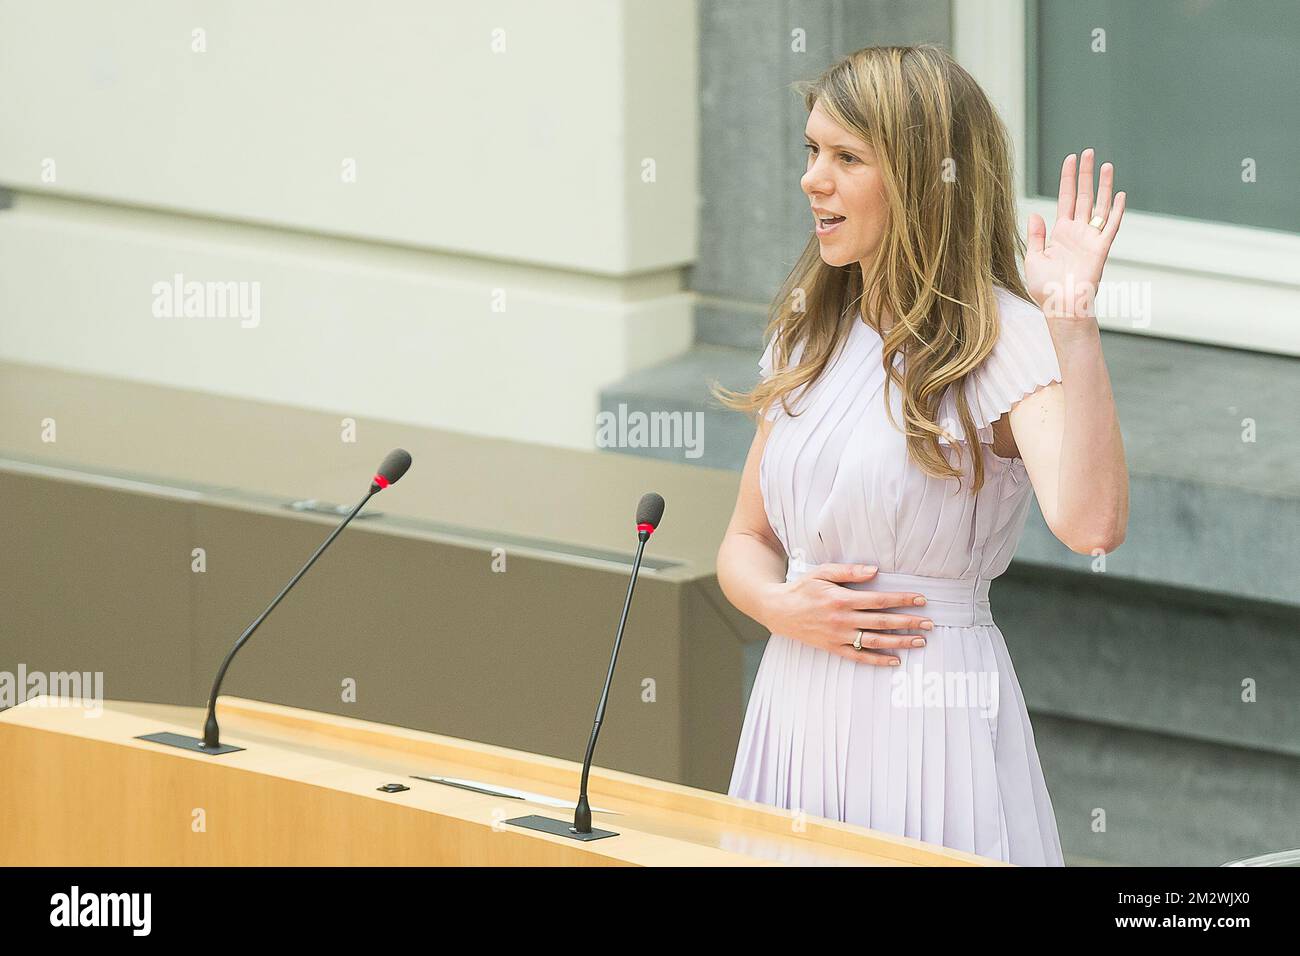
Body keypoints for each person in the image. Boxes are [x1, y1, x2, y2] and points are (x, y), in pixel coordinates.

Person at [712, 45, 1129, 866]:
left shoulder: (1000, 340)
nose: (812, 179)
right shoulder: (808, 329)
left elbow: (1091, 525)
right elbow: (744, 542)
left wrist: (1071, 321)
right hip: (794, 703)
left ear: (916, 178)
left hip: (927, 720)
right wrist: (779, 607)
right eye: (811, 151)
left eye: (845, 157)